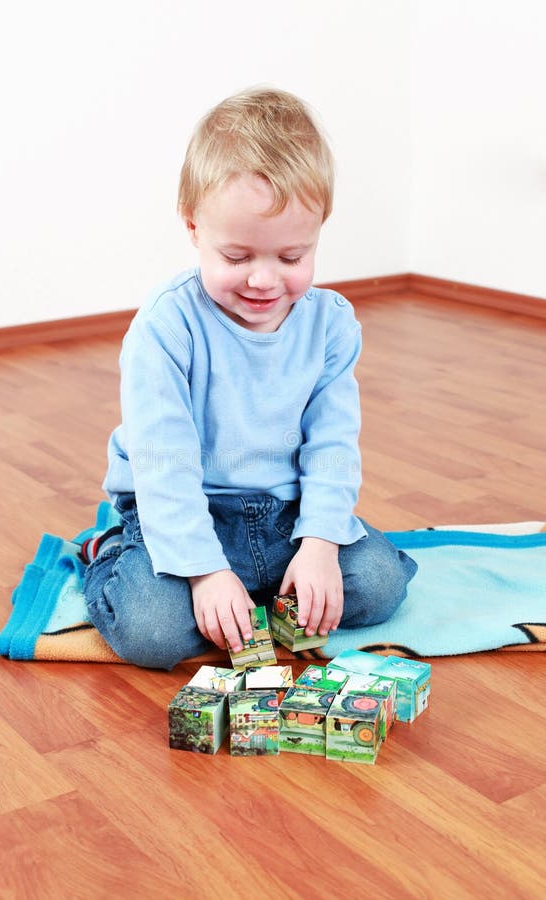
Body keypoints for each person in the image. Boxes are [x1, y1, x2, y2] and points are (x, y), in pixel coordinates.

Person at [82, 86, 417, 669]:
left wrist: (319, 545)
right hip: (185, 508)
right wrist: (206, 573)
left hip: (285, 514)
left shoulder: (331, 325)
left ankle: (264, 586)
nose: (263, 280)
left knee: (379, 585)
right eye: (236, 258)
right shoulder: (166, 326)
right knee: (153, 631)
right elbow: (164, 463)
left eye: (291, 258)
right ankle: (111, 550)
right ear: (193, 227)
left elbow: (333, 444)